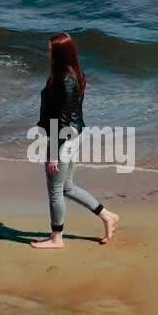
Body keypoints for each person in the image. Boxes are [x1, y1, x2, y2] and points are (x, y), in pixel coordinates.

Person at [31, 32, 118, 249]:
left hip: (63, 139)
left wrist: (53, 152)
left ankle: (56, 238)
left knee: (55, 191)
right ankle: (107, 216)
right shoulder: (69, 74)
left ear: (60, 53)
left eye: (50, 48)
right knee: (67, 187)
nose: (47, 51)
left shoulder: (65, 80)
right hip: (70, 137)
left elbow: (61, 119)